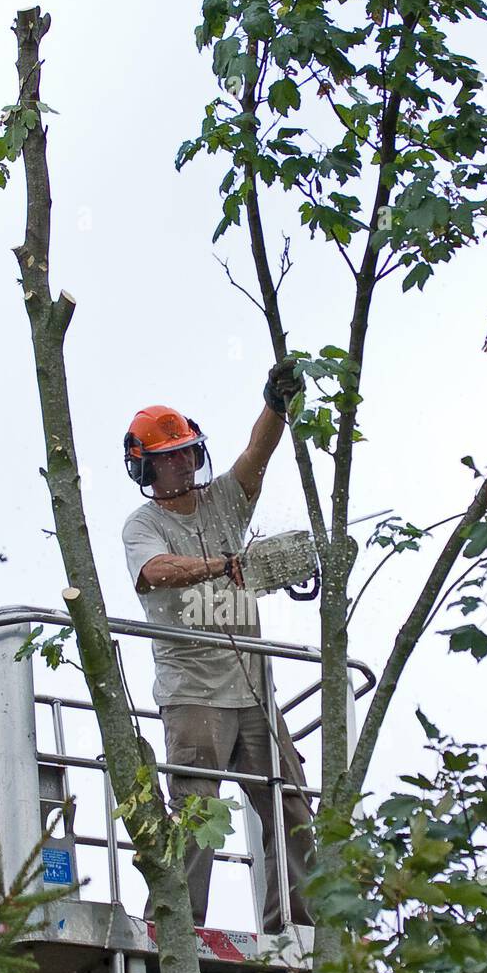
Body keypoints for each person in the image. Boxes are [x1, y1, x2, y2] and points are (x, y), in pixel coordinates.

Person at [120, 360, 314, 934]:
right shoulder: (142, 524)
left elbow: (258, 454)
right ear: (146, 467)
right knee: (195, 816)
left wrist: (275, 405)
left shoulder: (225, 501)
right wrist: (219, 566)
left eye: (187, 450)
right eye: (171, 454)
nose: (183, 461)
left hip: (255, 693)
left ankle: (300, 930)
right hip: (194, 697)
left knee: (292, 808)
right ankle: (176, 928)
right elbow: (155, 571)